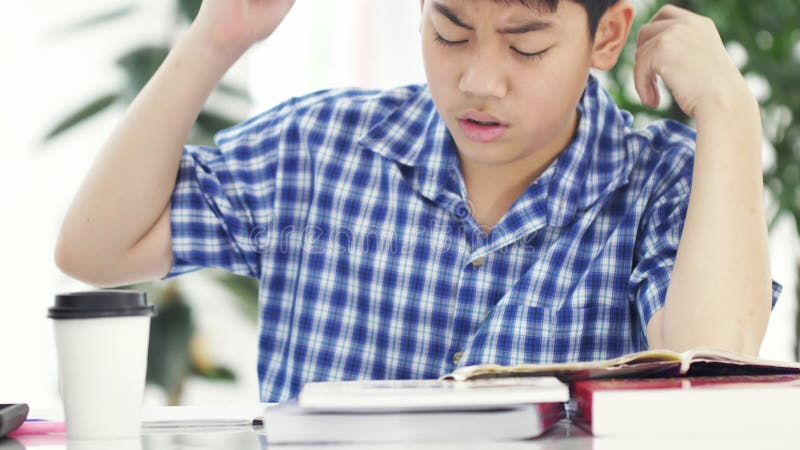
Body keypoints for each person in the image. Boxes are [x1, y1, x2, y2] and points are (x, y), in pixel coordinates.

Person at [54, 0, 779, 402]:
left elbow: (710, 370)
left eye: (525, 46)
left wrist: (728, 111)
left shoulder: (662, 179)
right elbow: (97, 250)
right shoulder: (321, 145)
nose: (479, 81)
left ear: (607, 36)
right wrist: (216, 38)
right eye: (449, 32)